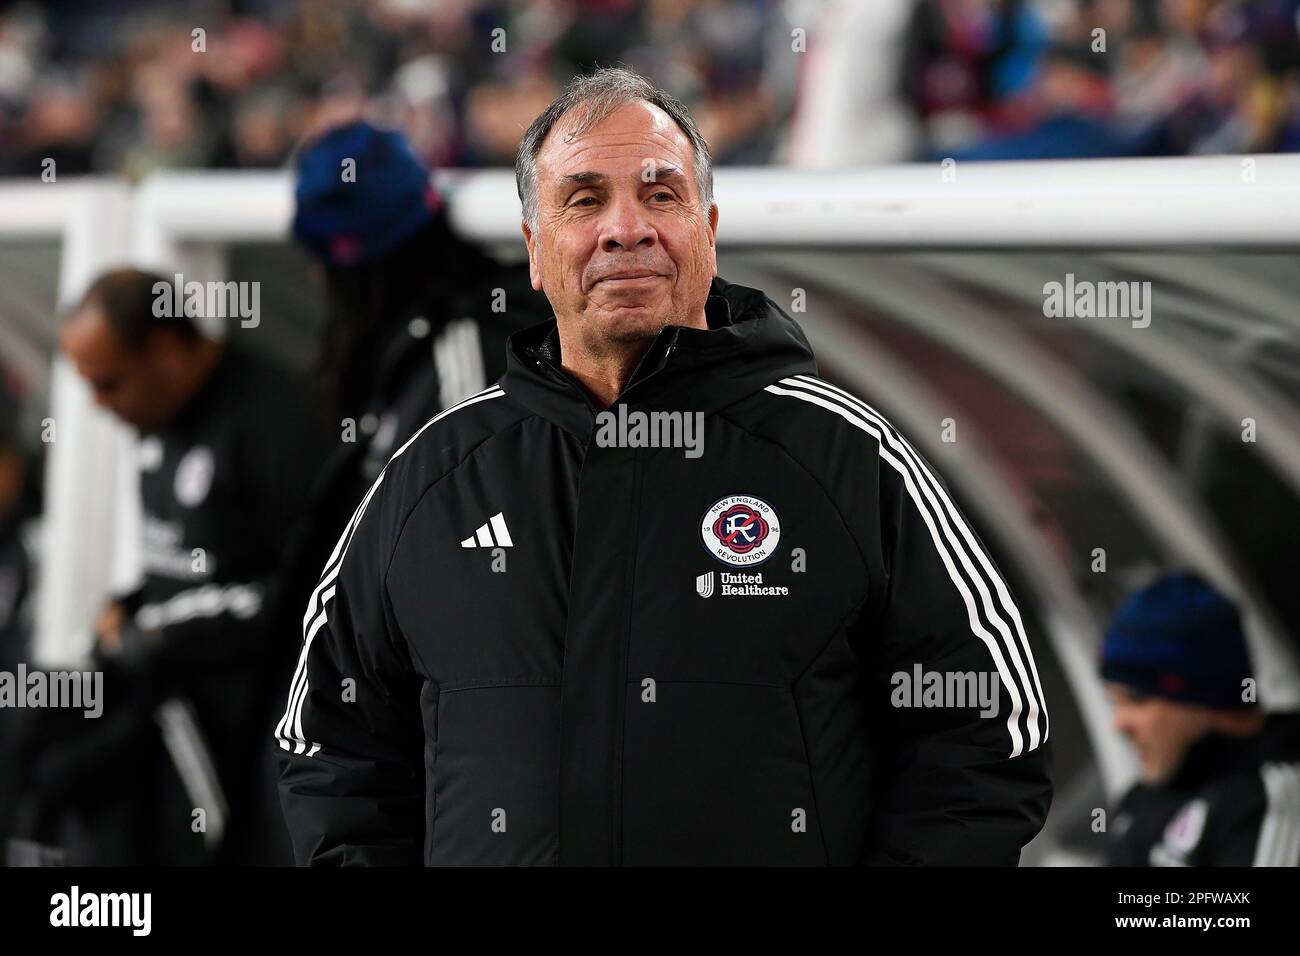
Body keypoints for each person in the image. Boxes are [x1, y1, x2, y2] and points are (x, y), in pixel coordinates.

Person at [276, 67, 1052, 866]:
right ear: (535, 249)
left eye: (660, 194)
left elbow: (988, 727)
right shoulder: (430, 476)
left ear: (707, 230)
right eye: (583, 200)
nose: (626, 228)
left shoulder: (847, 456)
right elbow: (330, 744)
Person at [23, 267, 333, 864]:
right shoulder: (156, 419)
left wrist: (164, 630)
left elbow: (316, 587)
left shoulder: (279, 422)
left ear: (164, 352)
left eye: (109, 383)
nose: (99, 405)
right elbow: (195, 564)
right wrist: (133, 603)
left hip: (257, 737)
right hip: (169, 720)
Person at [1101, 572, 1300, 866]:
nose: (1118, 724)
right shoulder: (1145, 797)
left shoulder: (1271, 798)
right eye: (1113, 702)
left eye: (1136, 700)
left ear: (1200, 694)